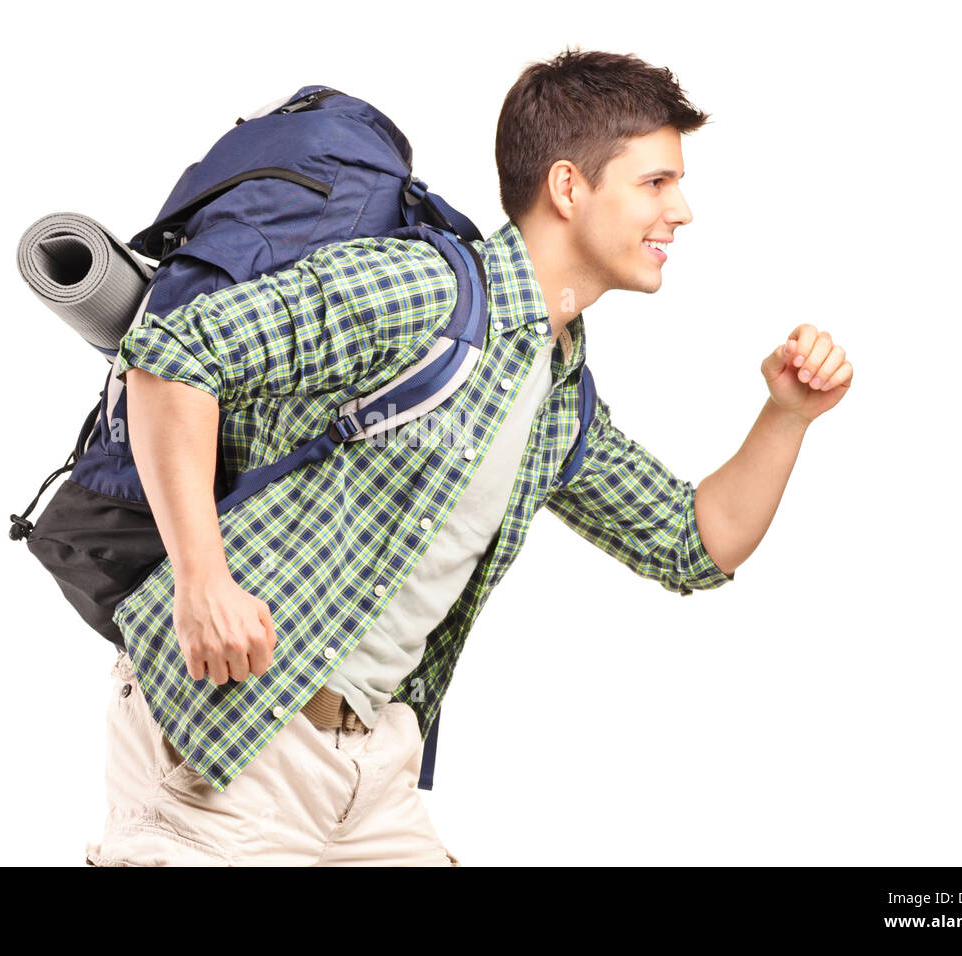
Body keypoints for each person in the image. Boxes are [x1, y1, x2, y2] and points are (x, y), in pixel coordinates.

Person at [84, 46, 854, 867]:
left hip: (372, 770)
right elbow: (170, 354)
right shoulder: (427, 292)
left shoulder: (557, 394)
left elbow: (693, 541)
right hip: (232, 743)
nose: (682, 210)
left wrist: (787, 415)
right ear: (569, 186)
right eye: (655, 183)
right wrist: (203, 583)